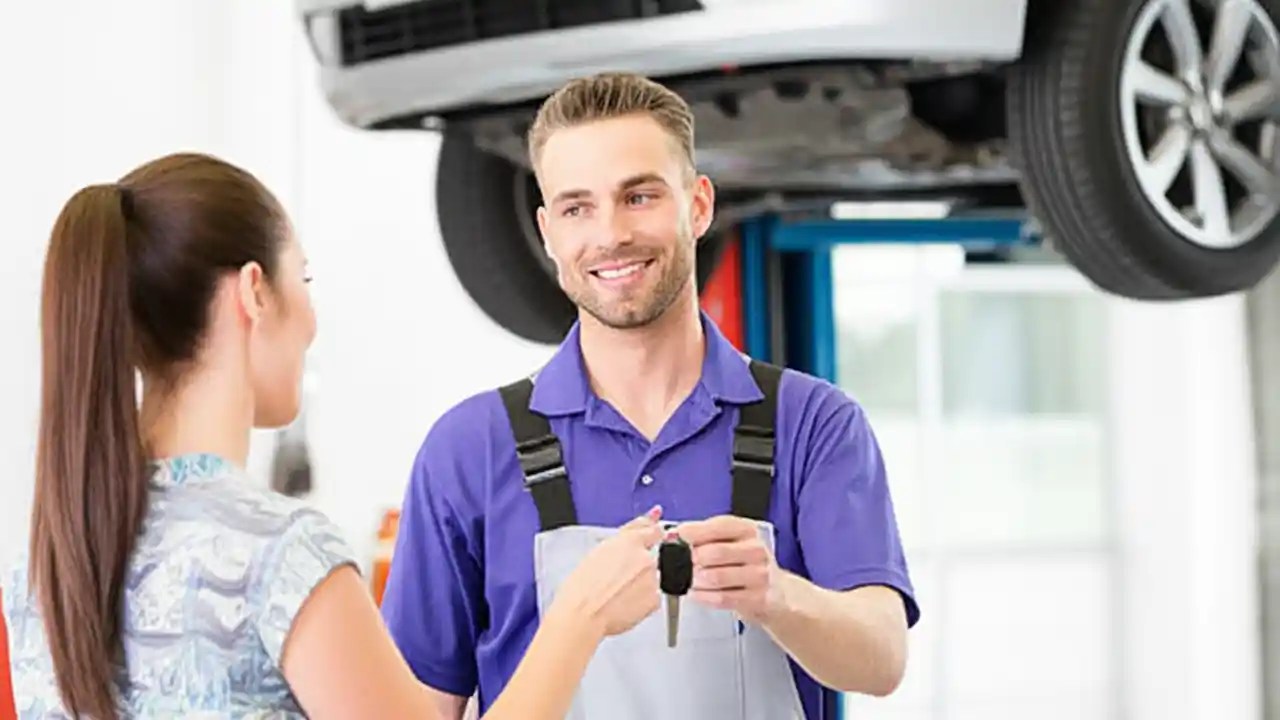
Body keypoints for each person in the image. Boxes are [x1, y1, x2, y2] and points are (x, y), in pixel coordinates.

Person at [0, 152, 667, 720]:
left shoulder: (44, 563)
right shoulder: (278, 553)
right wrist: (581, 617)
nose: (314, 319)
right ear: (255, 292)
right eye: (306, 278)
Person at [380, 72, 922, 720]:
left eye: (638, 196)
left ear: (697, 206)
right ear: (549, 233)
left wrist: (777, 595)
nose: (610, 234)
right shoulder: (469, 450)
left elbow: (883, 659)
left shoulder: (812, 424)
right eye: (578, 207)